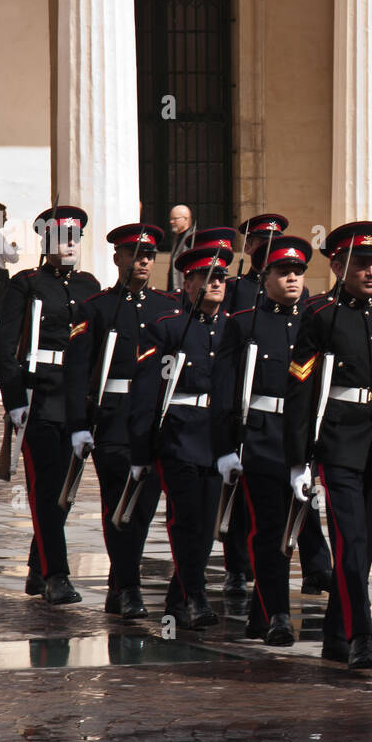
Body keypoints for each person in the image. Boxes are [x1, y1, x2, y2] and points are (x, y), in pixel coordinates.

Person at [284, 221, 372, 668]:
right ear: (337, 265)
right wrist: (299, 459)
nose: (371, 272)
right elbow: (301, 389)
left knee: (363, 546)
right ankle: (361, 635)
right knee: (350, 545)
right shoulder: (320, 314)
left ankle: (336, 633)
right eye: (361, 264)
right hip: (338, 441)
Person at [212, 234, 321, 644]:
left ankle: (263, 610)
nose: (293, 278)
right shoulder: (245, 324)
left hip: (305, 437)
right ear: (265, 275)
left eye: (298, 271)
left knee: (294, 526)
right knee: (270, 528)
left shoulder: (316, 320)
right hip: (261, 435)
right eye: (283, 271)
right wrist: (225, 447)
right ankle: (277, 612)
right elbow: (226, 389)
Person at [65, 222, 174, 620]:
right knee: (118, 504)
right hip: (113, 419)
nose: (142, 261)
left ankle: (120, 581)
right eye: (134, 255)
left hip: (153, 421)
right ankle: (128, 586)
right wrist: (79, 424)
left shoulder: (168, 307)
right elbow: (77, 371)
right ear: (118, 258)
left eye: (148, 256)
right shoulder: (96, 308)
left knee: (143, 509)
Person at [0, 205, 101, 605]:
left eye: (75, 238)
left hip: (78, 399)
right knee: (44, 488)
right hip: (41, 395)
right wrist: (16, 401)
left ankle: (38, 566)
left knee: (66, 490)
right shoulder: (27, 284)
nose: (70, 245)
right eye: (62, 238)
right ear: (47, 242)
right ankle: (56, 573)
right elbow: (4, 348)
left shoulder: (90, 286)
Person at [129, 233, 234, 628]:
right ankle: (197, 596)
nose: (217, 283)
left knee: (206, 526)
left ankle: (177, 599)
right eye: (207, 276)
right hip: (178, 434)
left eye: (221, 276)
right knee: (185, 519)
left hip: (216, 436)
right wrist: (141, 451)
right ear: (187, 283)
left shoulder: (232, 329)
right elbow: (146, 394)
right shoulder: (168, 328)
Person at [165, 204, 197, 291]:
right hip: (175, 289)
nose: (171, 222)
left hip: (185, 289)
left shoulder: (193, 239)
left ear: (186, 219)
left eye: (175, 219)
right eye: (171, 219)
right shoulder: (177, 238)